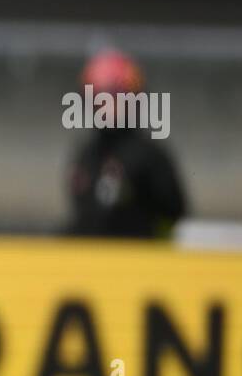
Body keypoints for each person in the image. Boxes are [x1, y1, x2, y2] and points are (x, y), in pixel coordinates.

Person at [65, 49, 188, 239]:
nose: (109, 105)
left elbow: (175, 217)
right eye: (100, 97)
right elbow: (84, 219)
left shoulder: (149, 156)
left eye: (118, 96)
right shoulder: (86, 155)